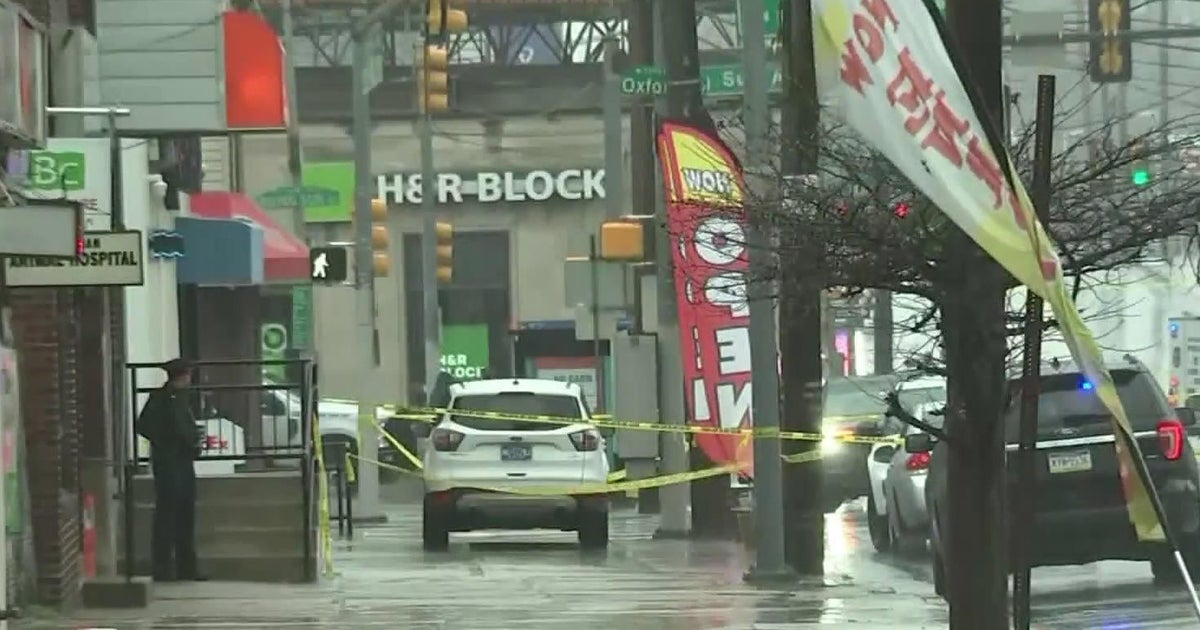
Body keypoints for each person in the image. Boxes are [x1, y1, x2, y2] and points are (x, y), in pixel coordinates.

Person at [135, 358, 207, 582]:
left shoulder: (182, 400)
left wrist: (193, 440)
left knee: (186, 514)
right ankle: (162, 567)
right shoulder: (161, 399)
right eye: (187, 374)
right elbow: (144, 426)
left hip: (184, 462)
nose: (189, 379)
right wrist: (166, 442)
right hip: (168, 463)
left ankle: (187, 567)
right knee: (167, 514)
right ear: (181, 376)